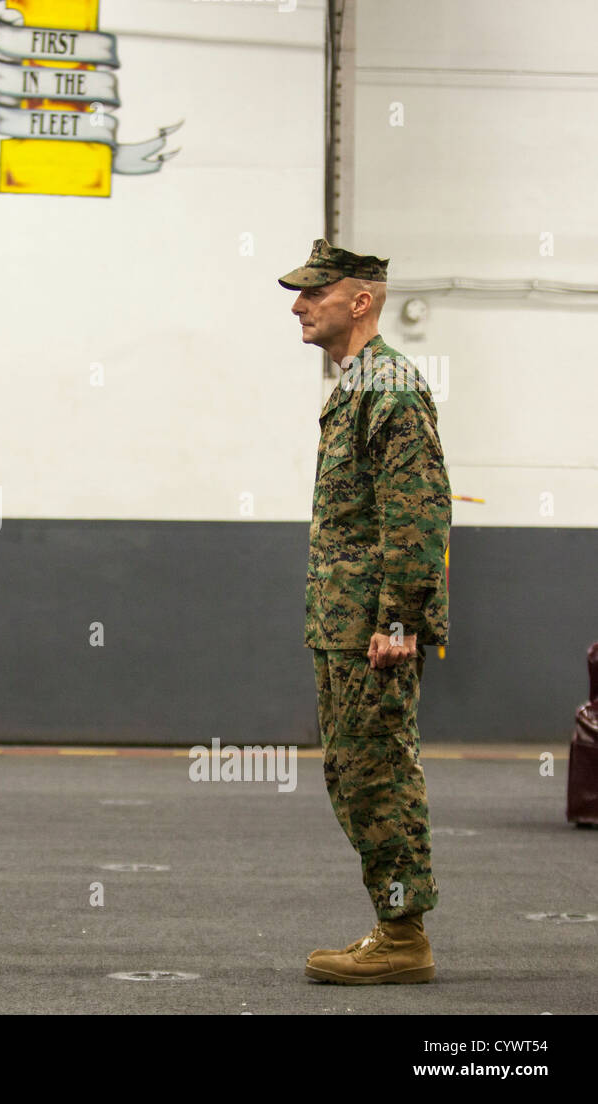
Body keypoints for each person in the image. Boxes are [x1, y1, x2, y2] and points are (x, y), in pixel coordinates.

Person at [279, 239, 451, 984]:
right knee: (352, 774)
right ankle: (392, 922)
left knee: (379, 773)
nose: (298, 305)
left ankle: (403, 935)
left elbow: (415, 518)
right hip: (343, 626)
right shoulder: (356, 386)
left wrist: (399, 623)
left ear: (361, 300)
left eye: (314, 293)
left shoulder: (392, 389)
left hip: (372, 632)